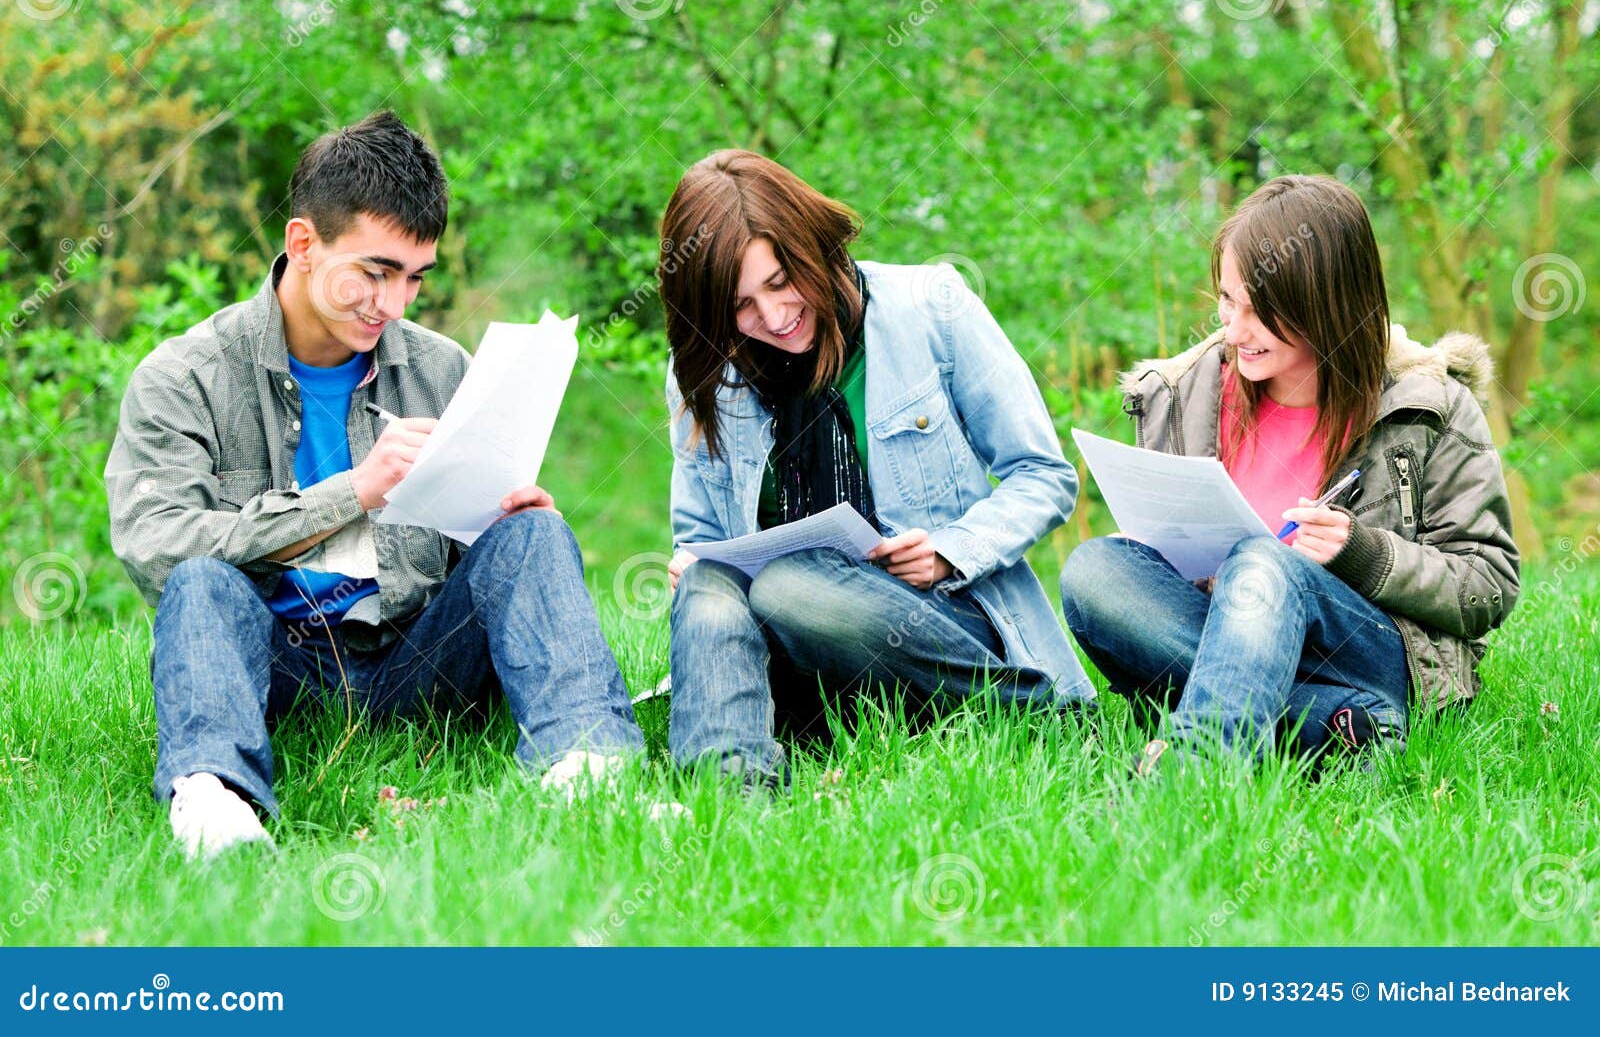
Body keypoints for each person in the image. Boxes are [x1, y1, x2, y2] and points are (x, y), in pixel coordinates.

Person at [106, 110, 643, 859]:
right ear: (303, 242)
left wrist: (503, 522)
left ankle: (589, 770)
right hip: (278, 667)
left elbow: (475, 557)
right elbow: (155, 547)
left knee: (536, 531)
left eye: (414, 278)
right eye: (375, 271)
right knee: (199, 582)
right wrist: (353, 491)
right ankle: (215, 799)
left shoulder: (441, 367)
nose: (391, 303)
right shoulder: (182, 376)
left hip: (416, 663)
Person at [658, 149, 1095, 792]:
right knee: (708, 587)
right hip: (805, 660)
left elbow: (1044, 473)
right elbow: (697, 536)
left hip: (938, 627)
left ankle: (1028, 712)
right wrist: (689, 562)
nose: (775, 319)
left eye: (781, 283)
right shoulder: (702, 375)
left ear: (813, 246)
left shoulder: (931, 307)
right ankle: (732, 798)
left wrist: (951, 550)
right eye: (741, 305)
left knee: (784, 585)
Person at [1059, 174, 1520, 773]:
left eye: (1261, 312)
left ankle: (1196, 769)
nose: (1234, 329)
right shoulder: (1186, 393)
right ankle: (1341, 725)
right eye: (1227, 300)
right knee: (1096, 569)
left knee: (1266, 558)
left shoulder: (1428, 405)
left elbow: (1489, 583)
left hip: (1363, 650)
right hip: (1222, 630)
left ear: (1328, 306)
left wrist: (1363, 553)